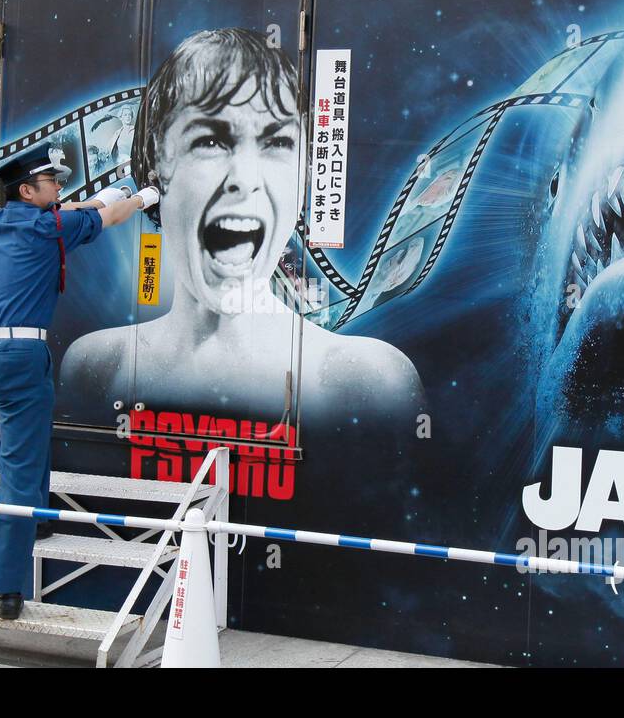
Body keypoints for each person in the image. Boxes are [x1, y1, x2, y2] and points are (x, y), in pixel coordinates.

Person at [60, 28, 424, 427]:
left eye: (277, 143)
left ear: (303, 176)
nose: (245, 178)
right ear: (155, 166)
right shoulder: (97, 366)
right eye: (211, 142)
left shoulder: (365, 380)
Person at [0, 143, 154, 620]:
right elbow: (109, 217)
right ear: (27, 191)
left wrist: (106, 193)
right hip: (17, 358)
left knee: (25, 439)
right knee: (20, 468)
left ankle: (38, 520)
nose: (59, 190)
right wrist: (144, 196)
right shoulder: (50, 226)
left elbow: (76, 210)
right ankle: (7, 586)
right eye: (51, 183)